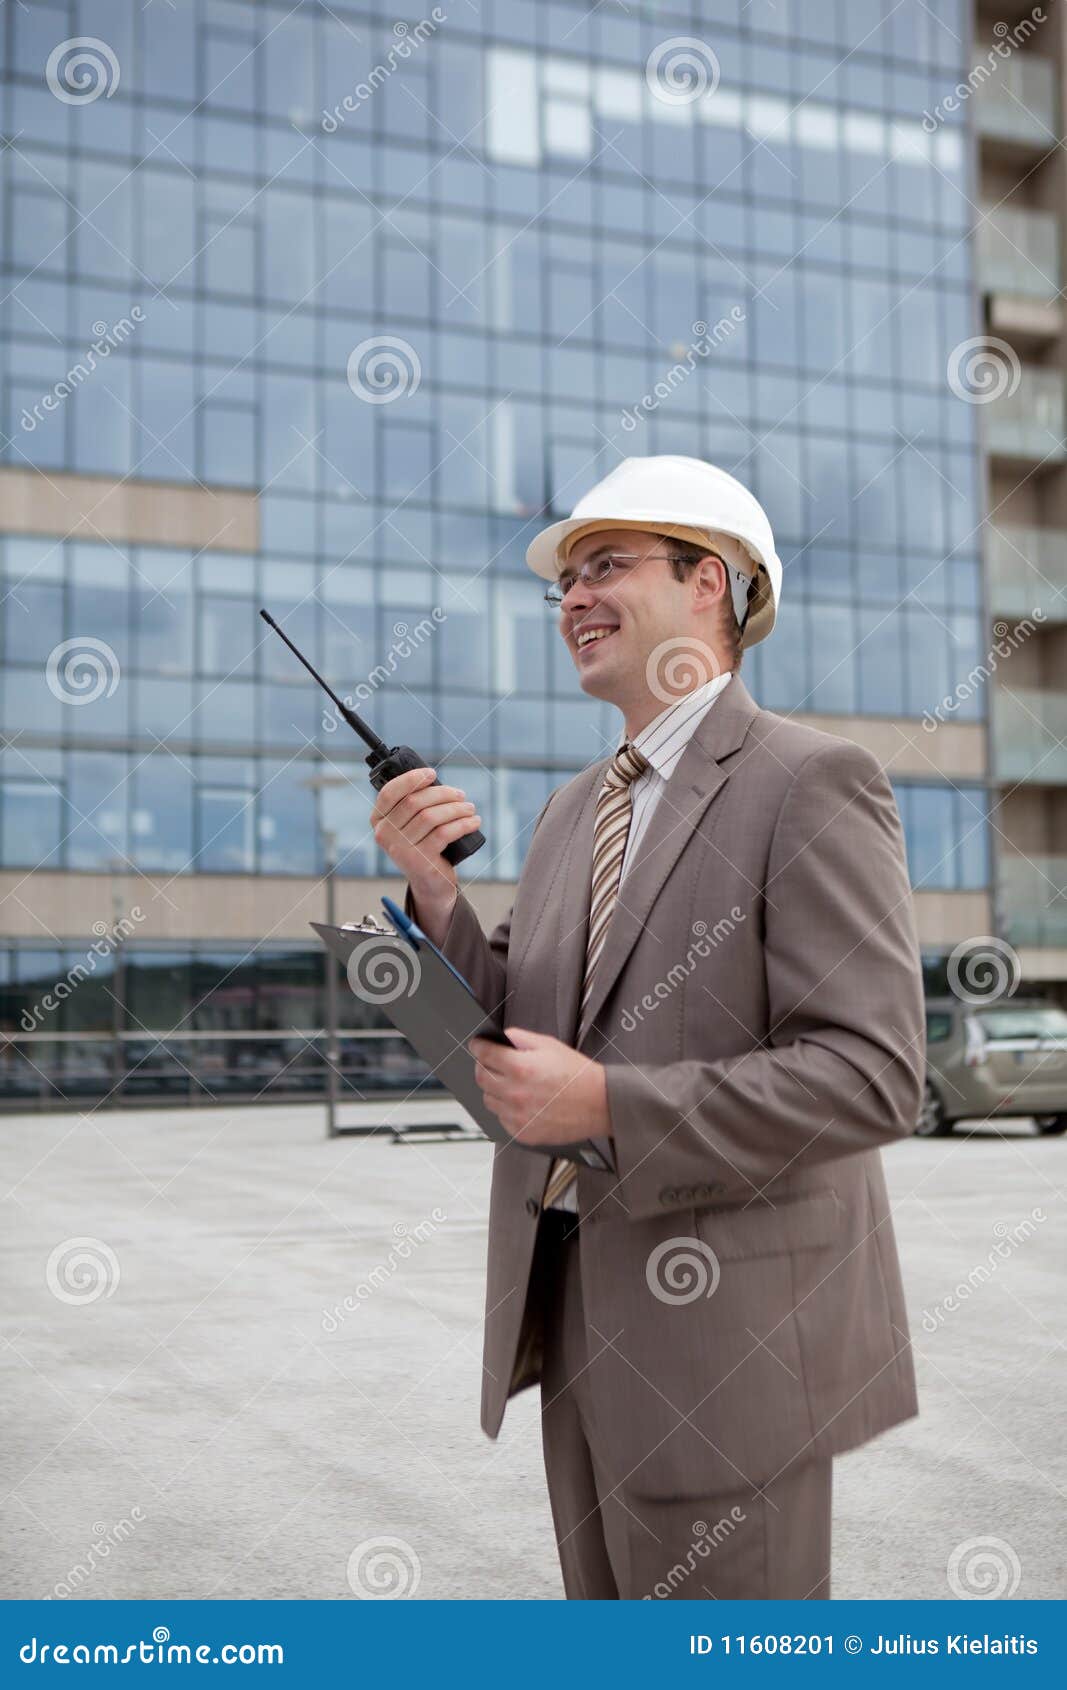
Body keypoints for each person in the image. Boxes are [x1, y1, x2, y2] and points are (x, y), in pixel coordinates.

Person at [370, 455, 925, 1600]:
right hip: (577, 1317)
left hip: (731, 1351)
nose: (571, 597)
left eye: (604, 564)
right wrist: (433, 899)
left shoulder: (811, 781)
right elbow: (527, 1043)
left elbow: (872, 1076)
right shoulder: (577, 808)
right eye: (563, 580)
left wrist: (610, 1105)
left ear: (708, 584)